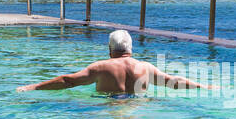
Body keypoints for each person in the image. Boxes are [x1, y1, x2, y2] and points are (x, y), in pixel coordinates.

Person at [17, 29, 212, 96]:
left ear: (110, 49)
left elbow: (68, 81)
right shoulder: (145, 67)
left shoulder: (100, 67)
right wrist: (204, 86)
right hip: (138, 111)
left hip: (108, 110)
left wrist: (33, 87)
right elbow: (173, 82)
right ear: (131, 49)